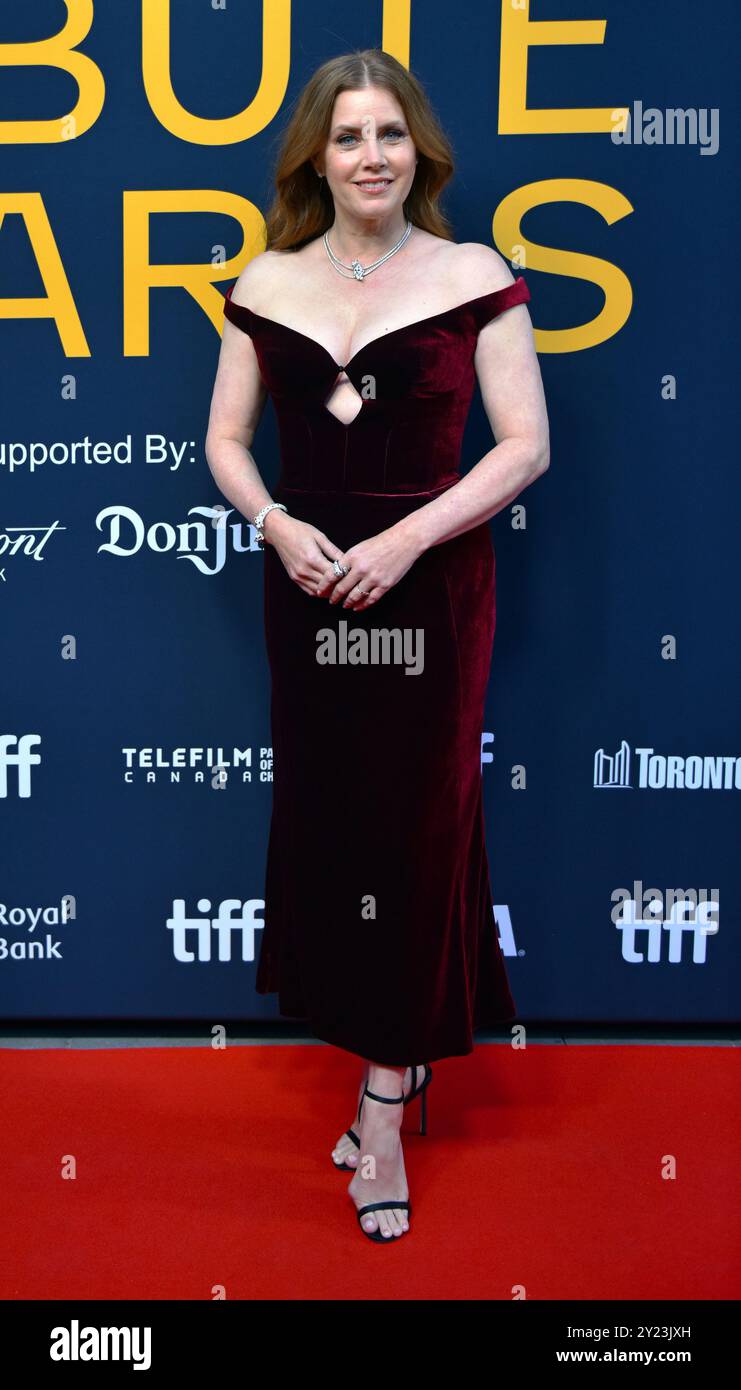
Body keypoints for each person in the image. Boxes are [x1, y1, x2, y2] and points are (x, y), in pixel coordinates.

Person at [206, 48, 549, 1244]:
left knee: (421, 829)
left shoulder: (471, 271)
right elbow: (227, 441)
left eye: (389, 136)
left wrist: (404, 543)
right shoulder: (269, 280)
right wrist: (273, 523)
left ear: (421, 152)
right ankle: (389, 1057)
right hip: (307, 589)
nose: (369, 156)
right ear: (318, 154)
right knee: (338, 823)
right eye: (348, 137)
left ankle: (386, 1104)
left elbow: (522, 449)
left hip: (432, 592)